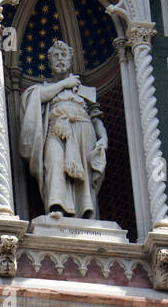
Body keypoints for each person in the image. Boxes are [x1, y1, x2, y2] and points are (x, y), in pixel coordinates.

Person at [19, 39, 107, 219]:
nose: (60, 59)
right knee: (54, 163)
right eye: (56, 56)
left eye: (64, 55)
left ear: (71, 60)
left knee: (85, 175)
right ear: (50, 62)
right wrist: (64, 84)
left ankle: (85, 215)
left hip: (84, 130)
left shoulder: (85, 91)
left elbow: (96, 117)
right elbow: (37, 98)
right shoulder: (44, 88)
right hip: (56, 131)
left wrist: (103, 139)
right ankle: (56, 208)